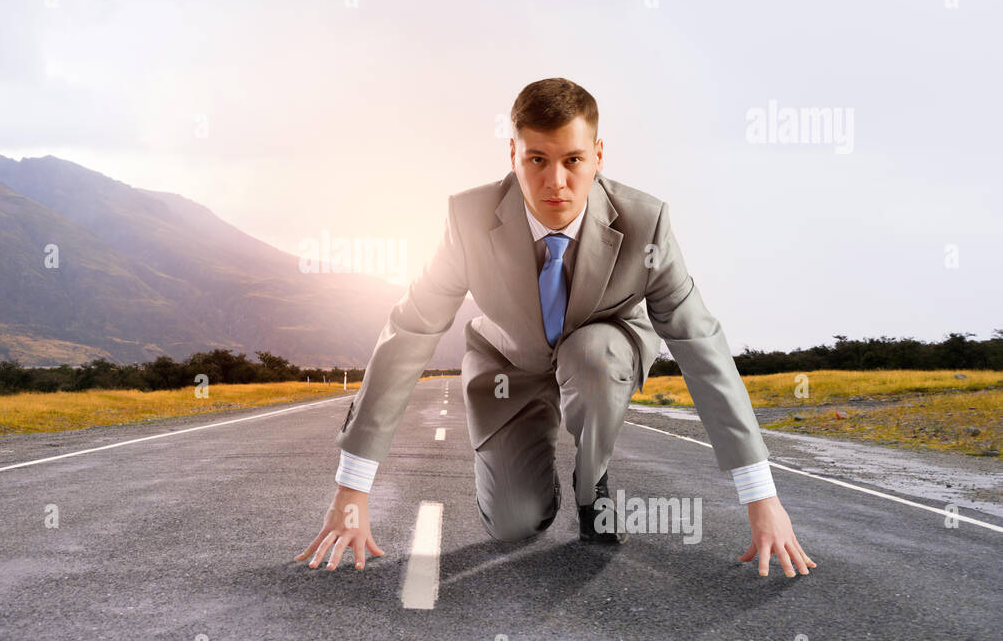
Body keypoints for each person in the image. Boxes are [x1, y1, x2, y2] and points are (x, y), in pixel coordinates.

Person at [297, 77, 815, 579]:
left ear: (598, 156)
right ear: (513, 156)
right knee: (514, 524)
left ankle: (593, 487)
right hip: (510, 363)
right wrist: (352, 488)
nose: (556, 182)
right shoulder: (467, 218)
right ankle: (537, 477)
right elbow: (411, 329)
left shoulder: (646, 223)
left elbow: (699, 342)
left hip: (601, 351)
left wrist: (761, 497)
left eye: (573, 160)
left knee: (593, 358)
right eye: (536, 160)